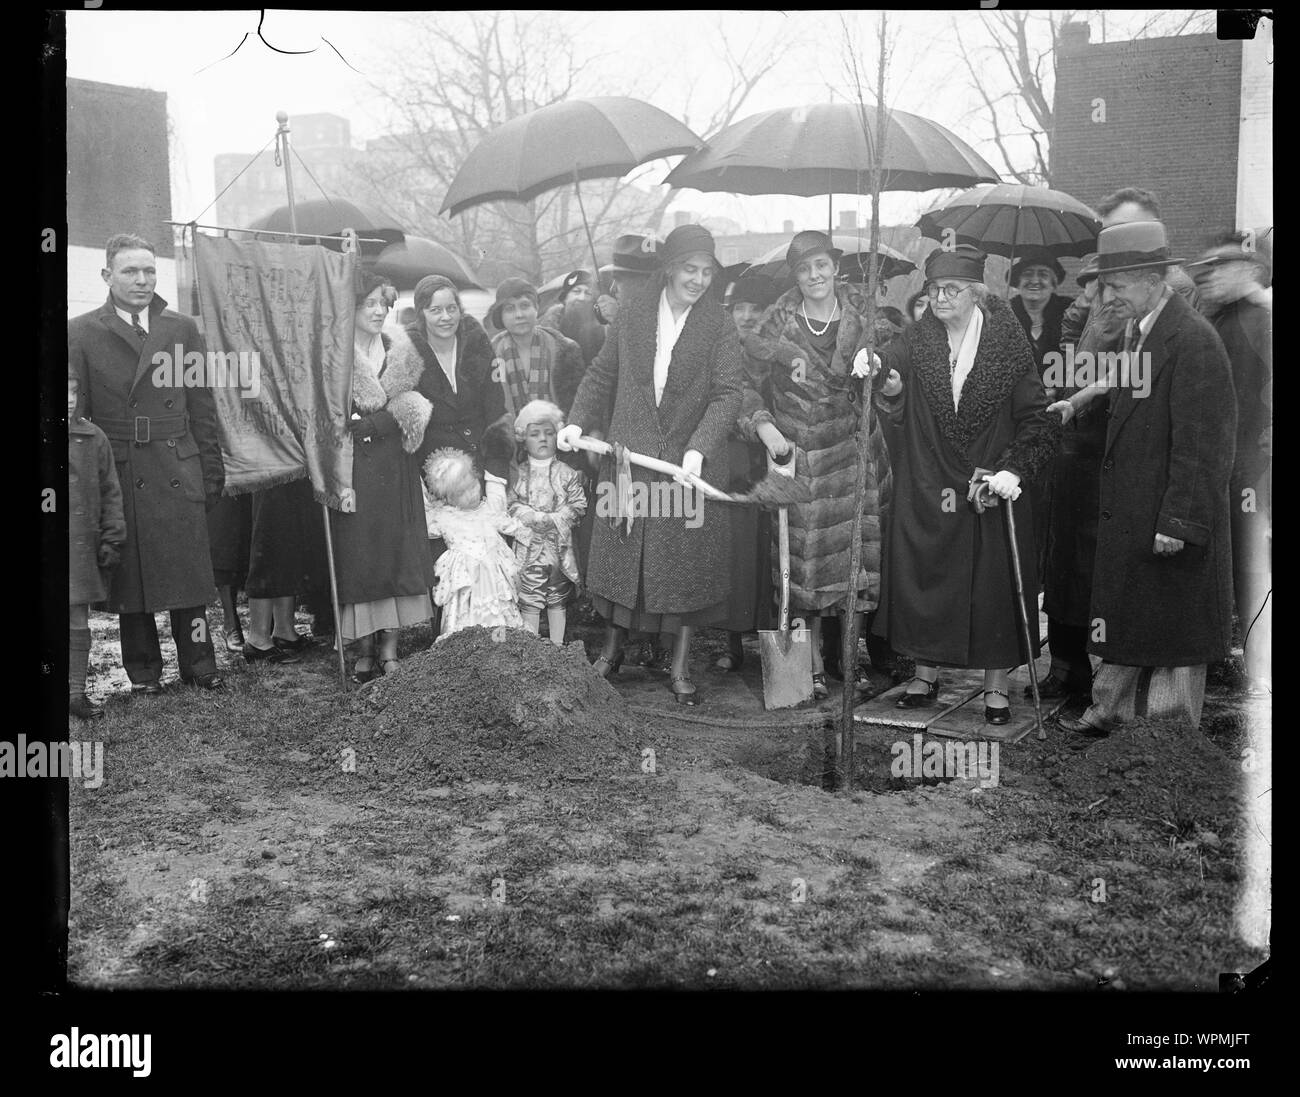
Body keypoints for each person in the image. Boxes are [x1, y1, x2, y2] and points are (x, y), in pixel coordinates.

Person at [1056, 222, 1236, 738]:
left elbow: (1204, 444)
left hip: (1168, 513)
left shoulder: (1193, 340)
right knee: (1131, 616)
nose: (1108, 297)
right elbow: (1131, 379)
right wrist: (1082, 397)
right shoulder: (1146, 329)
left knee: (1174, 633)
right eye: (1106, 285)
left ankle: (1167, 745)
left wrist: (1179, 521)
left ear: (1154, 279)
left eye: (1118, 285)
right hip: (1137, 505)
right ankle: (1108, 717)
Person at [868, 244, 1058, 724]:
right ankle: (925, 674)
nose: (940, 298)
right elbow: (892, 363)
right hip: (930, 482)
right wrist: (878, 369)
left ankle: (996, 686)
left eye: (951, 290)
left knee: (992, 587)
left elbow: (1039, 420)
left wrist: (1014, 470)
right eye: (933, 290)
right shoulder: (920, 337)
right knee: (927, 578)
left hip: (988, 485)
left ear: (976, 294)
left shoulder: (1007, 343)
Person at [558, 224, 744, 704]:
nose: (699, 280)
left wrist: (698, 450)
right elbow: (602, 373)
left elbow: (728, 394)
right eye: (690, 268)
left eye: (707, 271)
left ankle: (680, 665)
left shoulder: (719, 323)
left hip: (688, 465)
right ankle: (611, 651)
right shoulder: (635, 311)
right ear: (669, 268)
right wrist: (577, 421)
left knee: (679, 570)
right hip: (630, 460)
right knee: (624, 560)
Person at [68, 234, 226, 693]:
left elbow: (203, 407)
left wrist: (210, 468)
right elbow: (77, 414)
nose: (142, 281)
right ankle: (144, 672)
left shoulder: (181, 329)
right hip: (123, 468)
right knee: (133, 582)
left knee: (189, 577)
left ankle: (200, 663)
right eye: (130, 272)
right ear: (107, 277)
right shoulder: (81, 332)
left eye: (149, 271)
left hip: (178, 462)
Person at [739, 230, 893, 698]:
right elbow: (744, 387)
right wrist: (765, 427)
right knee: (801, 566)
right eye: (804, 268)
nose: (814, 276)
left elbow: (892, 373)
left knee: (854, 562)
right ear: (795, 275)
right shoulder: (772, 327)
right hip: (799, 456)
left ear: (835, 267)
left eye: (821, 265)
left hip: (853, 452)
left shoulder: (866, 316)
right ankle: (812, 666)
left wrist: (878, 365)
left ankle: (850, 659)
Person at [331, 274, 437, 683]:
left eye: (384, 304)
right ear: (351, 308)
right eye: (369, 304)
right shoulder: (336, 353)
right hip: (355, 466)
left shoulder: (401, 350)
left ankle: (390, 649)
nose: (378, 311)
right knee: (362, 554)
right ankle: (364, 648)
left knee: (394, 553)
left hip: (394, 465)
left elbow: (412, 402)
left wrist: (379, 420)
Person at [1035, 254, 1124, 703]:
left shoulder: (1120, 322)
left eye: (1102, 284)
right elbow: (1060, 372)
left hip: (1102, 456)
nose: (1094, 291)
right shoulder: (1077, 321)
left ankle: (1094, 677)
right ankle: (1063, 665)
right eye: (1088, 283)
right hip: (1068, 455)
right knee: (1061, 562)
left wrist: (1075, 393)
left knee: (1090, 568)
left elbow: (1116, 379)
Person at [1193, 233, 1271, 696]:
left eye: (1219, 269)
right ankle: (1220, 657)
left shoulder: (1260, 319)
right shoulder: (1213, 320)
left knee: (1251, 569)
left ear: (1248, 270)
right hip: (1215, 463)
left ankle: (1260, 671)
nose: (1209, 278)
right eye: (1205, 271)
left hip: (1250, 468)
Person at [388, 275, 510, 503]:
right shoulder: (407, 350)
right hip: (436, 474)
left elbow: (497, 412)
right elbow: (403, 427)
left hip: (483, 463)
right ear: (421, 313)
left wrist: (496, 478)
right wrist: (417, 488)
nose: (446, 317)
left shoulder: (476, 340)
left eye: (451, 308)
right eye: (435, 310)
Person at [713, 273, 780, 672]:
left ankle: (777, 640)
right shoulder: (722, 352)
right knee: (736, 552)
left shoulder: (775, 352)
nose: (749, 316)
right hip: (736, 459)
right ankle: (733, 642)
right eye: (741, 308)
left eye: (756, 309)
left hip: (779, 458)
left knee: (776, 553)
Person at [68, 367, 125, 720]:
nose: (70, 399)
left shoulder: (92, 438)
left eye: (73, 392)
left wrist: (112, 536)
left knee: (76, 615)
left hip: (79, 547)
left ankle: (75, 692)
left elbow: (111, 492)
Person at [506, 400, 587, 645]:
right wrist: (530, 516)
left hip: (559, 547)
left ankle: (557, 648)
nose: (542, 439)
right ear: (523, 438)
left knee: (557, 594)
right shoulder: (517, 473)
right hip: (528, 547)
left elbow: (578, 505)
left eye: (549, 433)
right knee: (529, 595)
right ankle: (531, 649)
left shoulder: (567, 473)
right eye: (535, 434)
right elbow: (510, 503)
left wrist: (555, 518)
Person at [422, 448, 525, 639]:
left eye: (473, 485)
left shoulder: (487, 510)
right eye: (462, 493)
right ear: (448, 498)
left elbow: (510, 525)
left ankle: (500, 642)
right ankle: (467, 644)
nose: (472, 494)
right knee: (464, 612)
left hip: (492, 573)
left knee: (498, 608)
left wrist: (525, 528)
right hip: (465, 577)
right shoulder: (444, 516)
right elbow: (425, 525)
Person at [487, 277, 586, 419]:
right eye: (510, 309)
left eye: (525, 305)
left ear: (536, 308)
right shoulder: (489, 356)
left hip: (561, 434)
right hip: (508, 437)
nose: (519, 315)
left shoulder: (566, 350)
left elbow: (580, 404)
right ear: (501, 316)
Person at [1008, 249, 1071, 391]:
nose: (1035, 280)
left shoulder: (1070, 314)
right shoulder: (1004, 316)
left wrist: (1058, 391)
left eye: (1043, 274)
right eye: (1028, 274)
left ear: (1053, 283)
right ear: (1018, 281)